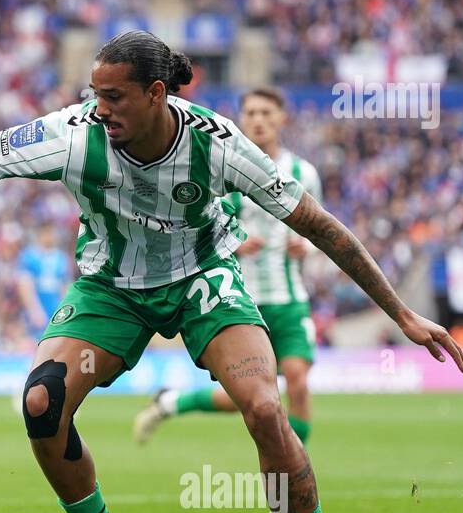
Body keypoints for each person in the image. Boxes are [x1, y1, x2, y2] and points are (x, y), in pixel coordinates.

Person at [0, 30, 463, 513]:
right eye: (94, 94)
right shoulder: (73, 134)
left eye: (115, 96)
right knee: (41, 402)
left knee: (266, 408)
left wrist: (401, 314)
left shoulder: (219, 145)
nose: (99, 108)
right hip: (112, 287)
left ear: (157, 93)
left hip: (202, 279)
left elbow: (321, 227)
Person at [133, 87, 322, 448]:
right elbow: (197, 229)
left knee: (296, 380)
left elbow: (319, 228)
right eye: (251, 113)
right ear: (241, 119)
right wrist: (234, 241)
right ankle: (173, 402)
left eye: (267, 113)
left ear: (282, 119)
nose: (259, 120)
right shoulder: (220, 171)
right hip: (240, 299)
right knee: (252, 393)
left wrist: (307, 247)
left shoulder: (303, 173)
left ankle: (295, 471)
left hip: (289, 298)